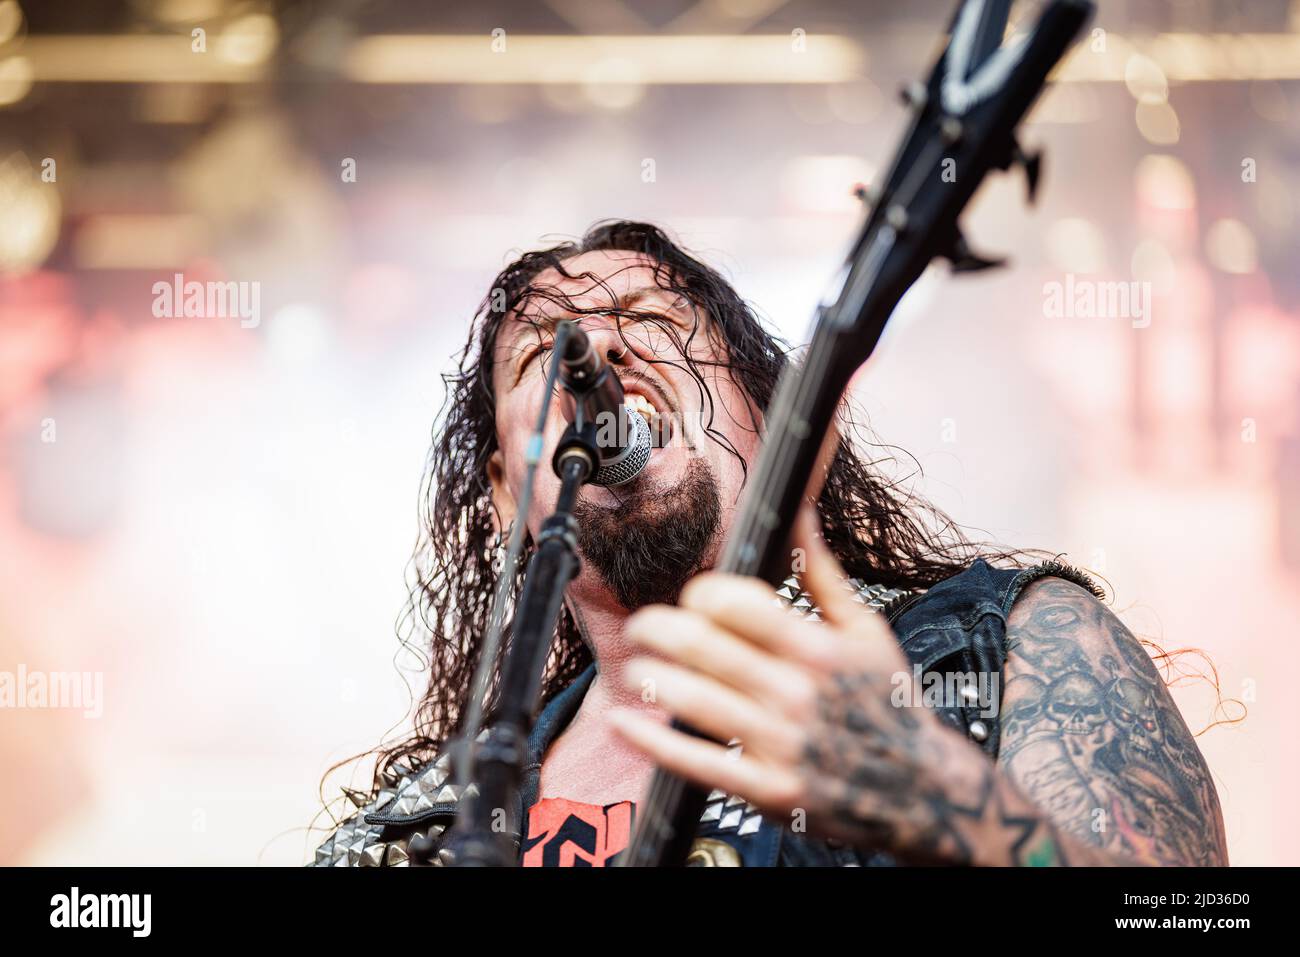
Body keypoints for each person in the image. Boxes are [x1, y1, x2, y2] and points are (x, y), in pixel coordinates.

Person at [312, 221, 1226, 867]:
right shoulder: (411, 839)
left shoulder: (1006, 648)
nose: (598, 350)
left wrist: (965, 820)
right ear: (510, 492)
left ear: (767, 415)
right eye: (541, 356)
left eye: (657, 322)